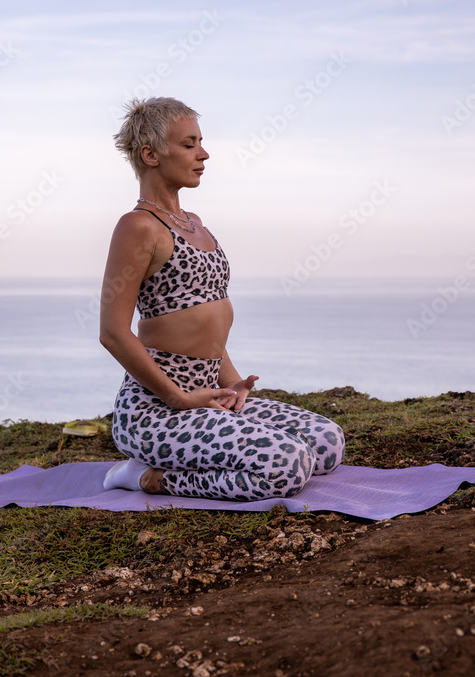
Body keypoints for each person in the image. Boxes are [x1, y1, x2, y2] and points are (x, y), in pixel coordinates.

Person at [99, 96, 345, 501]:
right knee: (285, 465)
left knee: (326, 442)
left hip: (209, 392)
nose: (204, 154)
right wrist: (178, 398)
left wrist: (231, 384)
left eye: (201, 142)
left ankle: (183, 458)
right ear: (151, 154)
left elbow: (205, 319)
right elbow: (112, 332)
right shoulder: (137, 227)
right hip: (157, 410)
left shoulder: (195, 224)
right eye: (189, 144)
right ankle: (145, 477)